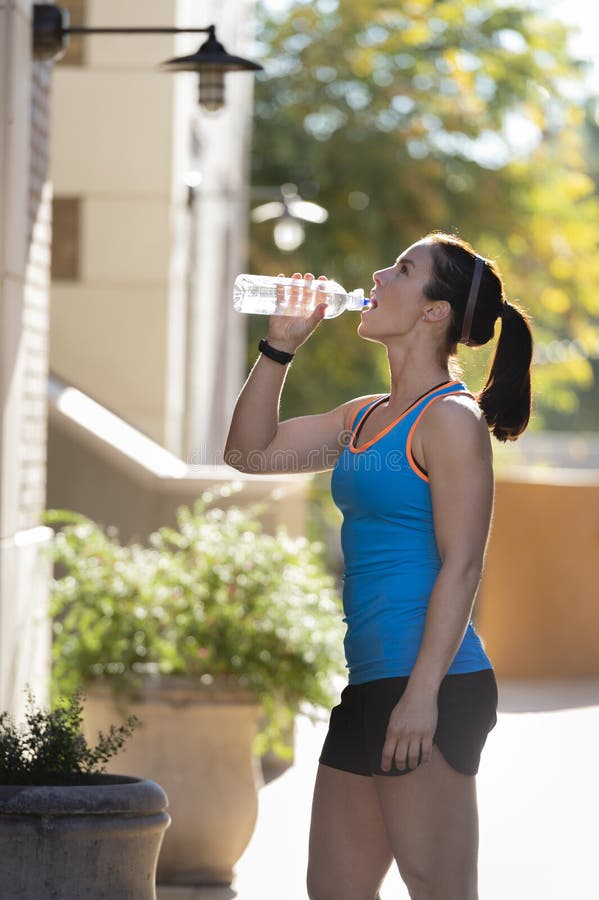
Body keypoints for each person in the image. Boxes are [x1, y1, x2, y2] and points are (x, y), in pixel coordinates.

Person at [224, 232, 533, 900]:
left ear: (433, 312)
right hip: (370, 681)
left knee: (439, 887)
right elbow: (248, 455)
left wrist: (421, 697)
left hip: (432, 686)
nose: (377, 274)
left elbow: (461, 566)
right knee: (333, 889)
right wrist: (280, 347)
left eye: (402, 269)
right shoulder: (363, 418)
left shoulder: (449, 421)